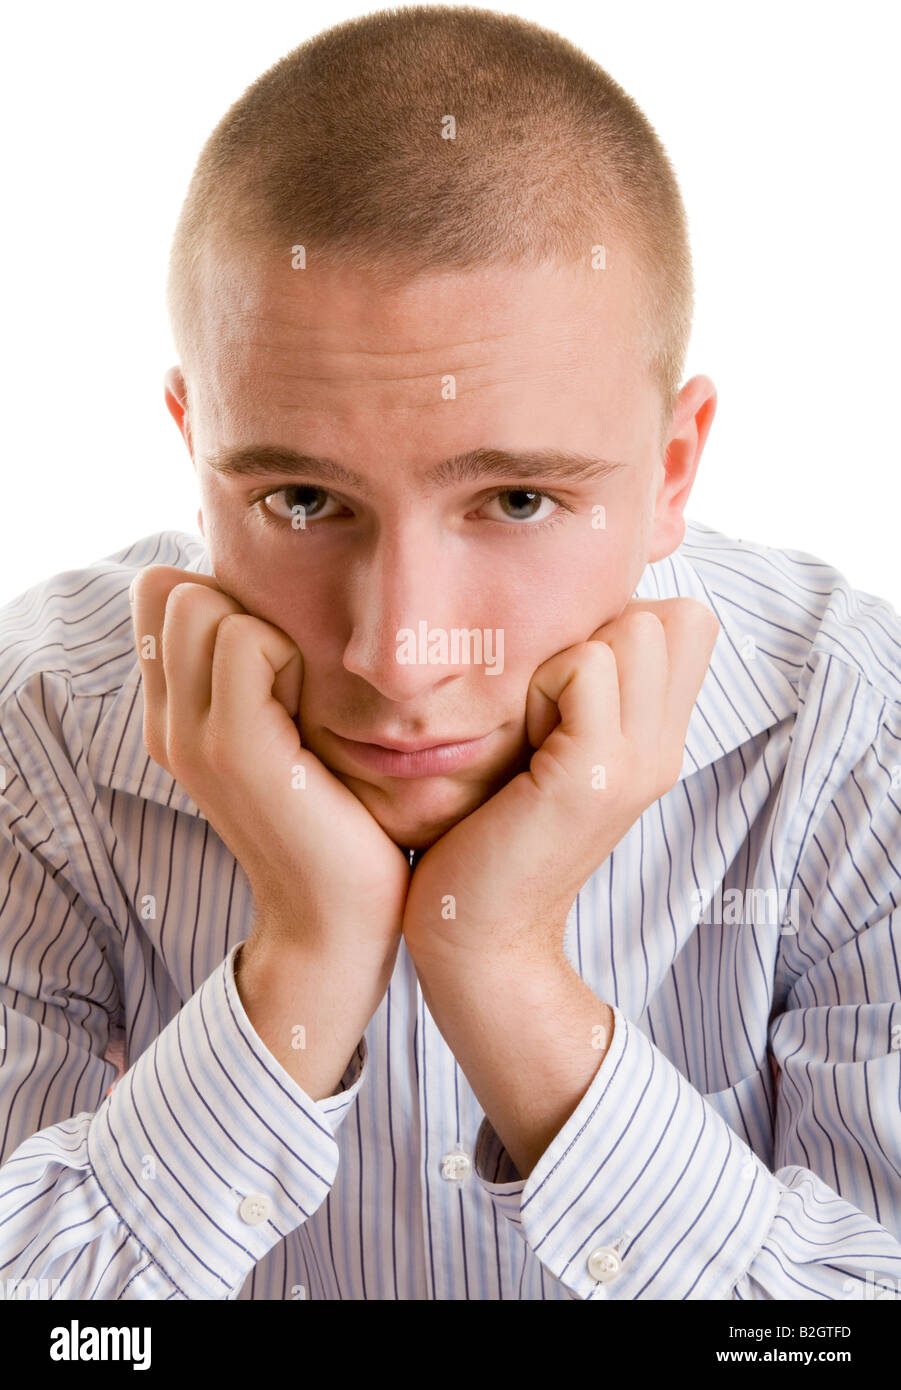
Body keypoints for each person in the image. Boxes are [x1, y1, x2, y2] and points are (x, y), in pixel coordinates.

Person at [0, 5, 899, 1302]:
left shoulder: (852, 732)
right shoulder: (37, 732)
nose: (401, 652)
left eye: (518, 501)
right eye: (302, 500)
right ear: (194, 453)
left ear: (670, 469)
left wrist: (506, 974)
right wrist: (306, 956)